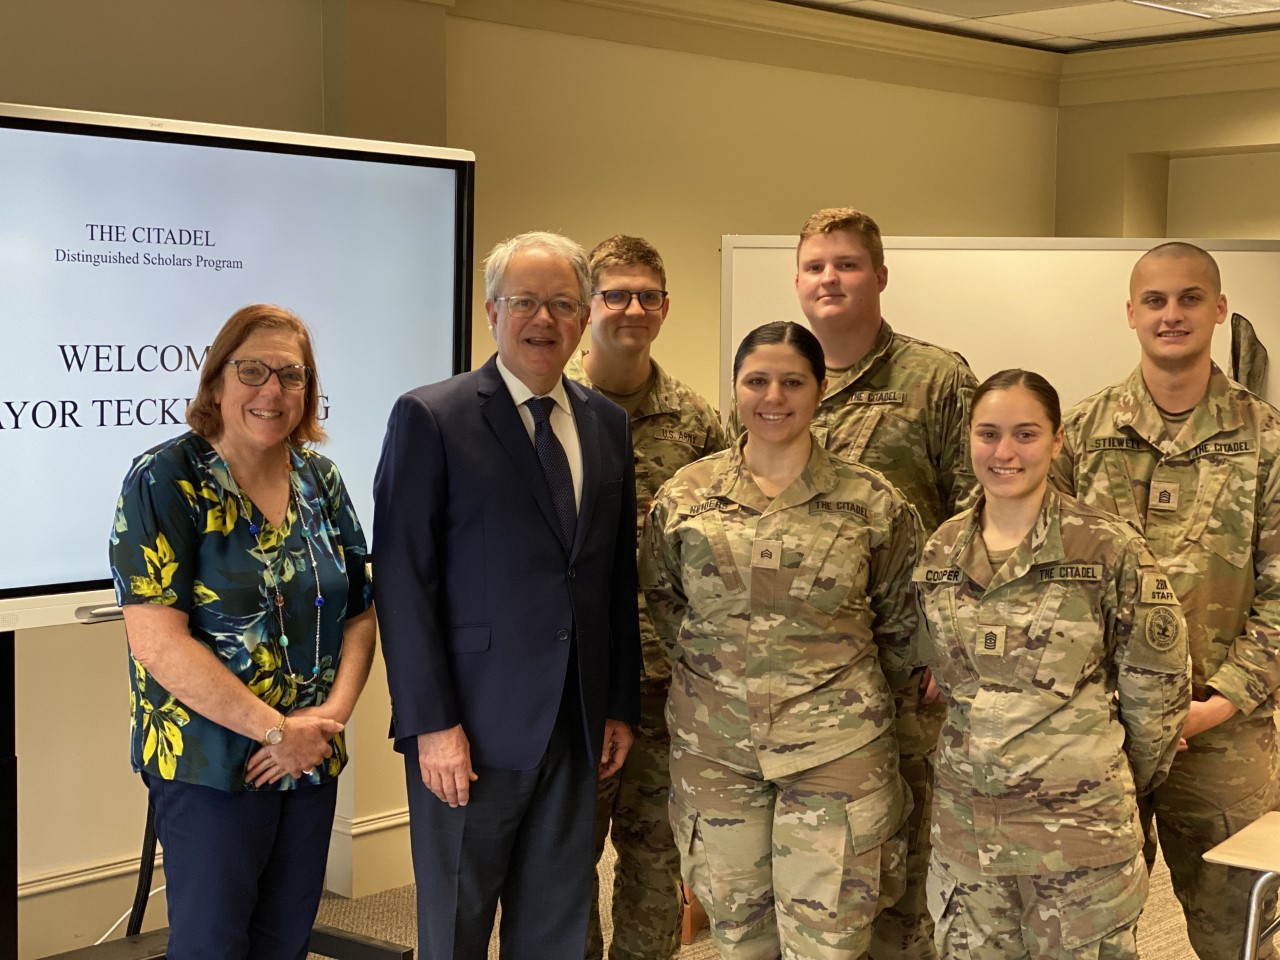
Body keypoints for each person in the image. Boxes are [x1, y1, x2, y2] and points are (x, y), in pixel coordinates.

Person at [373, 231, 642, 960]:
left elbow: (615, 575)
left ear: (583, 317)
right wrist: (431, 724)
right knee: (457, 928)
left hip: (577, 725)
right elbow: (402, 581)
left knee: (556, 927)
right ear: (492, 312)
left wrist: (617, 701)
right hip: (472, 730)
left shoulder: (607, 425)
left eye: (561, 303)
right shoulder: (431, 417)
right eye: (525, 301)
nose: (543, 319)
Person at [641, 320, 919, 960]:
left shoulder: (872, 502)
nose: (774, 396)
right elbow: (665, 604)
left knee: (829, 941)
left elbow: (902, 624)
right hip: (716, 751)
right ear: (735, 389)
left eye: (793, 381)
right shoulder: (685, 497)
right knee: (738, 935)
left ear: (821, 389)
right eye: (757, 381)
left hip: (837, 752)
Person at [108, 304, 377, 960]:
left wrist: (328, 721)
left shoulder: (321, 479)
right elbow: (157, 641)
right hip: (213, 766)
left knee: (284, 942)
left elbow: (362, 613)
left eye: (291, 375)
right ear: (217, 381)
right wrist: (277, 732)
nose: (272, 391)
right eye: (252, 370)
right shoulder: (165, 479)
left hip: (312, 759)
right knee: (213, 946)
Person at [1051, 242, 1280, 960]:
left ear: (1218, 310)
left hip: (1222, 735)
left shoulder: (1267, 440)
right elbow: (1040, 583)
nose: (1171, 314)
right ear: (1130, 313)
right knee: (1087, 933)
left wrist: (1219, 702)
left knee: (1236, 934)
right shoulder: (1079, 436)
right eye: (1154, 301)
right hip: (1098, 729)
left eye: (1188, 299)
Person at [916, 369, 1191, 960]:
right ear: (968, 439)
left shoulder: (1107, 548)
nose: (1005, 452)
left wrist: (1105, 776)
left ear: (1058, 440)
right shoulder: (940, 551)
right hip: (970, 836)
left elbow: (1157, 694)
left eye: (1025, 434)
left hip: (1079, 837)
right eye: (988, 434)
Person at [790, 207, 980, 960]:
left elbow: (980, 518)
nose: (829, 278)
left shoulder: (936, 379)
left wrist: (951, 647)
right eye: (815, 266)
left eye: (846, 264)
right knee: (826, 873)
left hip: (907, 673)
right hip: (808, 676)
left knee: (909, 865)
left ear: (880, 276)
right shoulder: (782, 377)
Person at [565, 234, 727, 960]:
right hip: (575, 682)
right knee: (564, 861)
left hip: (670, 684)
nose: (632, 309)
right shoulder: (550, 408)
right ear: (588, 305)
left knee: (659, 863)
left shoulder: (698, 424)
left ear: (665, 308)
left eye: (647, 296)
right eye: (615, 294)